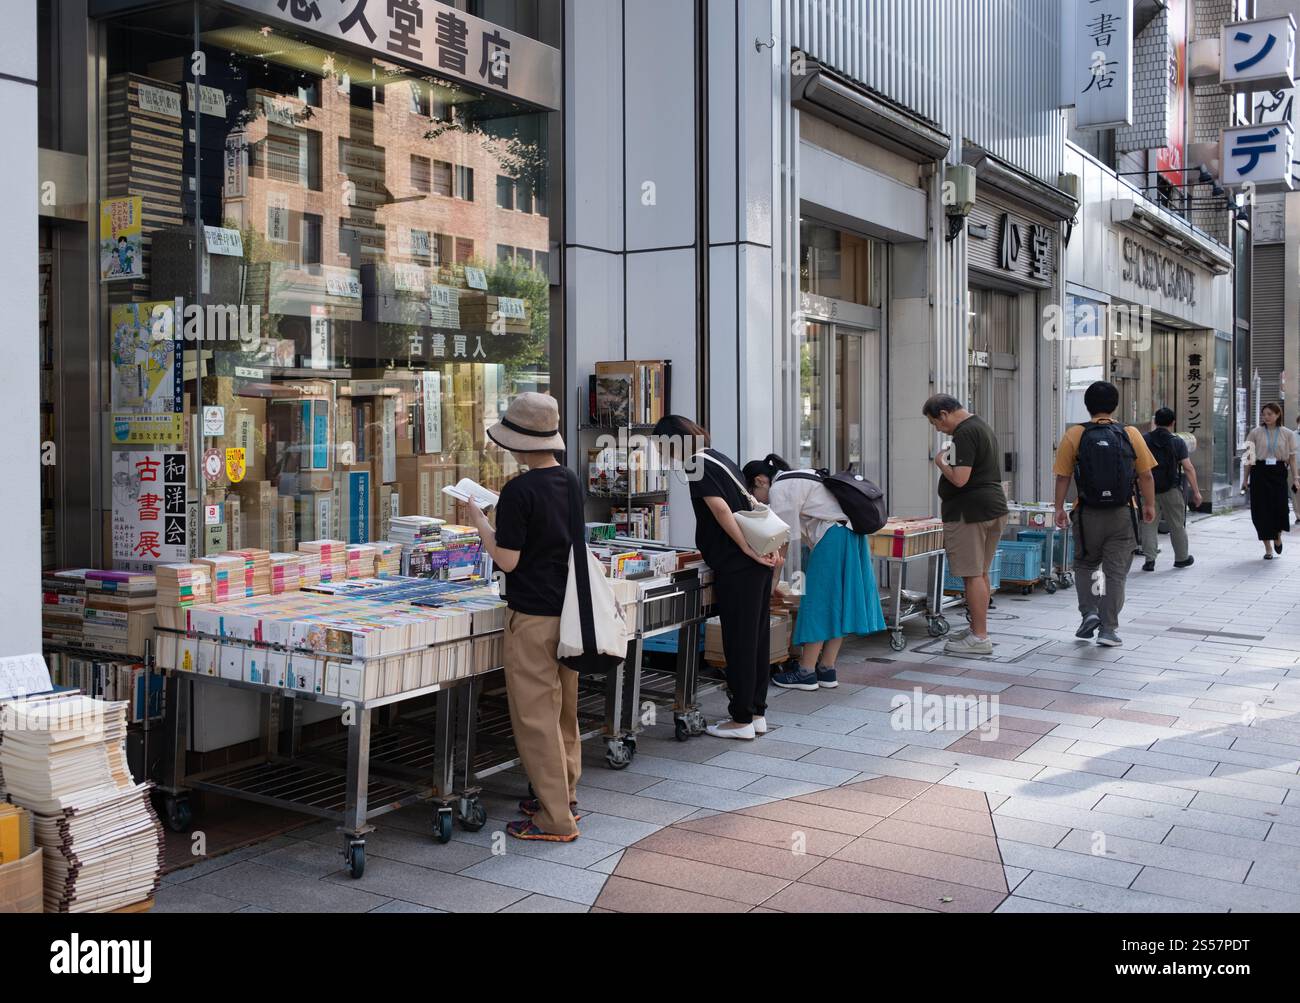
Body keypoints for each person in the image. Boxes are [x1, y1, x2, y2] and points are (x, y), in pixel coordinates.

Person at [461, 392, 582, 843]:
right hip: (569, 613)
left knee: (535, 718)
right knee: (564, 713)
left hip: (531, 615)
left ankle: (555, 818)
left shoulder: (519, 490)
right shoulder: (569, 479)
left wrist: (479, 520)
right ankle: (565, 796)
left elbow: (507, 560)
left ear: (519, 442)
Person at [654, 415, 781, 741]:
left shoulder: (696, 464)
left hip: (739, 563)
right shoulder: (717, 456)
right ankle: (756, 712)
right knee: (755, 638)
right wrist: (757, 549)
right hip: (754, 562)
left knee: (739, 640)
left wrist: (746, 549)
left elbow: (721, 510)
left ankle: (740, 720)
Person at [744, 455, 886, 691]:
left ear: (760, 481)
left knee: (818, 602)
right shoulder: (801, 475)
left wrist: (772, 582)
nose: (755, 500)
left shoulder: (780, 488)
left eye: (751, 492)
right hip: (852, 536)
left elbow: (782, 539)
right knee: (837, 602)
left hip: (831, 539)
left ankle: (806, 671)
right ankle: (827, 669)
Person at [1052, 381, 1156, 648]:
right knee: (1114, 574)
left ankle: (1090, 612)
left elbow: (1063, 476)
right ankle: (1108, 629)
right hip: (1122, 513)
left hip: (1087, 514)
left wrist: (1059, 508)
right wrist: (1149, 505)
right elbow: (1145, 474)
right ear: (1115, 405)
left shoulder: (1075, 434)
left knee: (1086, 565)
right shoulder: (1130, 433)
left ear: (1087, 406)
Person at [921, 395, 1009, 657]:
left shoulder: (964, 434)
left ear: (945, 414)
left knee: (972, 575)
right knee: (980, 573)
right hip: (991, 507)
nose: (937, 428)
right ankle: (976, 630)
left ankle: (979, 637)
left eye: (935, 422)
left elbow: (960, 479)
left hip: (970, 512)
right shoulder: (981, 426)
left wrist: (940, 463)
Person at [1139, 408, 1201, 572]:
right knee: (1177, 525)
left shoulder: (1144, 440)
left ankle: (1149, 560)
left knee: (1148, 523)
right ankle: (1181, 558)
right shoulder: (1177, 441)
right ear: (1173, 423)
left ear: (1155, 422)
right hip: (1171, 490)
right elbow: (1188, 467)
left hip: (1148, 489)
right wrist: (1196, 492)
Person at [1243, 403, 1298, 559]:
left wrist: (1296, 478)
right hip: (1259, 473)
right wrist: (1245, 479)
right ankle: (1267, 548)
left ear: (1277, 415)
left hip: (1279, 472)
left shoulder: (1287, 434)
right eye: (1264, 414)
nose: (1266, 417)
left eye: (1269, 414)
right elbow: (1248, 458)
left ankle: (1277, 536)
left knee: (1280, 509)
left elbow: (1292, 458)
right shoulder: (1255, 433)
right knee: (1261, 511)